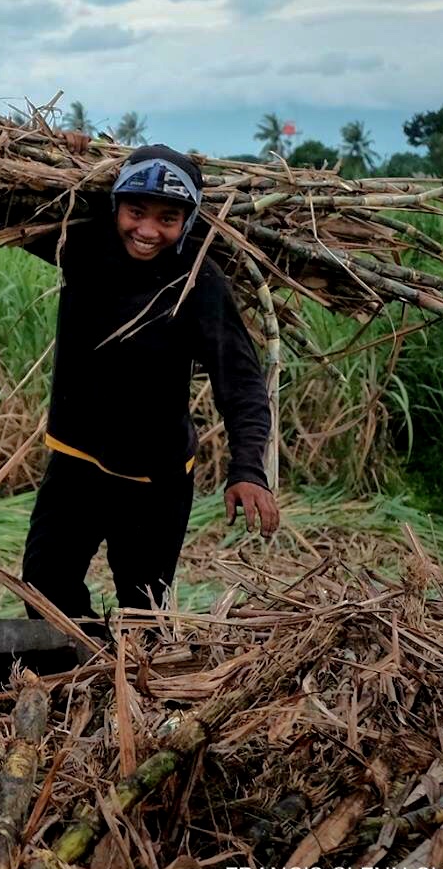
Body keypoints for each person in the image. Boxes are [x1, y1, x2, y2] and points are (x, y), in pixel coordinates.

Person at [17, 142, 282, 624]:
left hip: (157, 480)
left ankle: (131, 688)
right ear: (115, 205)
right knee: (45, 590)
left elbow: (241, 383)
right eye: (136, 211)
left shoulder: (199, 284)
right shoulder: (80, 247)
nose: (147, 230)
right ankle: (79, 678)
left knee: (144, 611)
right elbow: (10, 205)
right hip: (77, 463)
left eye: (168, 218)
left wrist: (248, 469)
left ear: (189, 221)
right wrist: (60, 145)